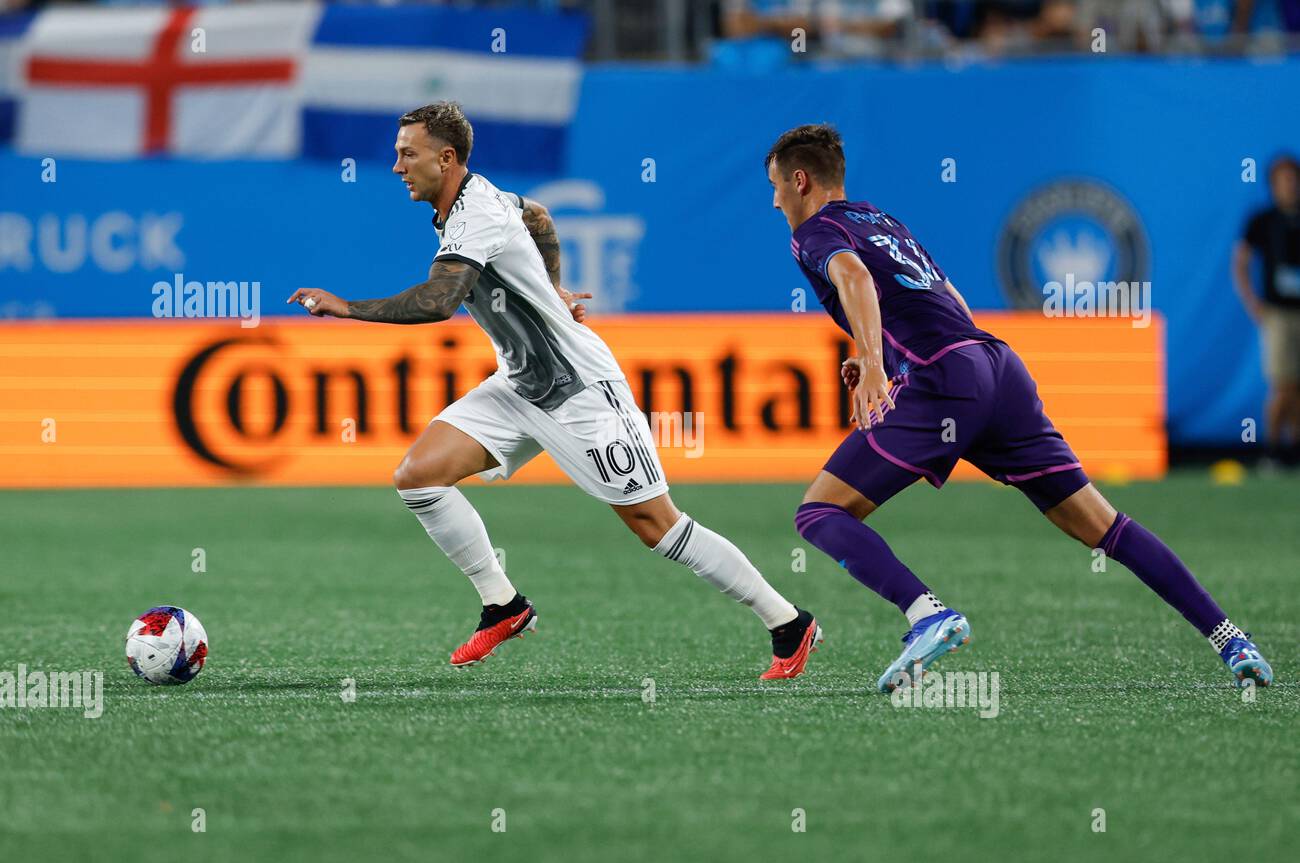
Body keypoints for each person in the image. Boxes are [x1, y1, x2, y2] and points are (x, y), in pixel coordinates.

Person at [288, 102, 821, 679]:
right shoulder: (475, 200)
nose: (396, 167)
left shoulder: (475, 217)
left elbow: (438, 302)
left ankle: (788, 621)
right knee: (418, 477)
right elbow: (539, 215)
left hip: (580, 391)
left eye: (406, 154)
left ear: (446, 159)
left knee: (656, 526)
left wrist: (348, 308)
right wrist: (555, 287)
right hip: (519, 387)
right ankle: (503, 604)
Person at [765, 122, 1272, 691]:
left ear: (801, 180)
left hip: (942, 379)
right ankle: (1232, 640)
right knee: (1104, 526)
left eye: (777, 186)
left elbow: (854, 277)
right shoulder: (881, 220)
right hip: (997, 368)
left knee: (818, 513)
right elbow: (947, 297)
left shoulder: (812, 231)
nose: (776, 199)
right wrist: (879, 350)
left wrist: (879, 365)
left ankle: (927, 613)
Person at [1233, 154, 1300, 468]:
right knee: (1283, 384)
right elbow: (1241, 263)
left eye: (1293, 179)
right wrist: (1253, 303)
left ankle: (1293, 450)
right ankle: (1272, 450)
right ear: (1272, 185)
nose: (1289, 186)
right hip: (1277, 314)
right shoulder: (1262, 220)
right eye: (1283, 180)